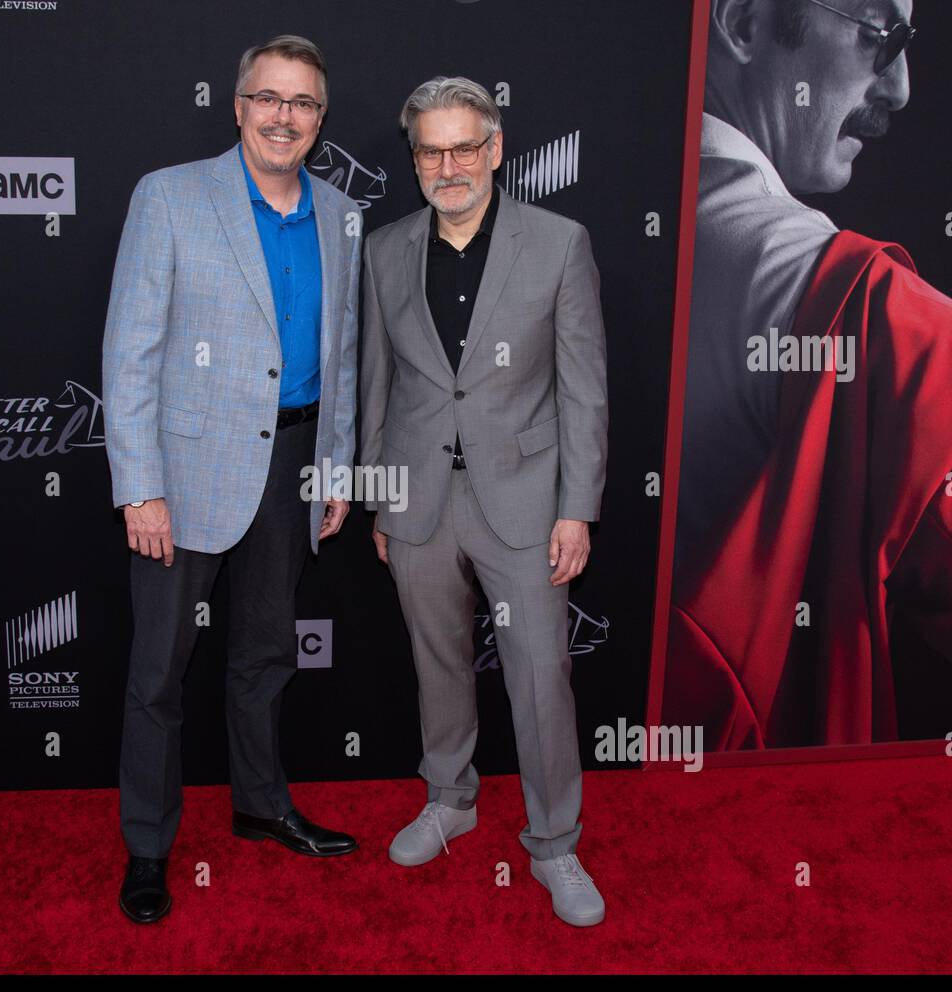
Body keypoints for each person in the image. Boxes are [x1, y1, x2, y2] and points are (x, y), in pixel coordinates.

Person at [665, 0, 952, 749]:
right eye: (879, 35)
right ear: (746, 21)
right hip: (746, 832)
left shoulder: (584, 205)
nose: (903, 86)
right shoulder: (816, 286)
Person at [101, 34, 361, 925]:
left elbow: (345, 355)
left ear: (320, 121)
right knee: (158, 674)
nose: (285, 115)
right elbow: (129, 351)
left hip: (292, 460)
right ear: (239, 104)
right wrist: (139, 485)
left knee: (264, 652)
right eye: (270, 97)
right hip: (186, 469)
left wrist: (335, 464)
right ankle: (148, 846)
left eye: (303, 103)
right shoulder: (171, 196)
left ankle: (261, 804)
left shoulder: (338, 212)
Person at [359, 76, 609, 926]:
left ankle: (555, 843)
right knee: (438, 665)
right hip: (419, 497)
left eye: (466, 146)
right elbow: (376, 386)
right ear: (415, 157)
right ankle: (450, 799)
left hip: (527, 501)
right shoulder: (384, 249)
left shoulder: (560, 243)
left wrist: (577, 507)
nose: (449, 164)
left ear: (497, 148)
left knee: (541, 675)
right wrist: (380, 500)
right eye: (432, 149)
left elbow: (585, 392)